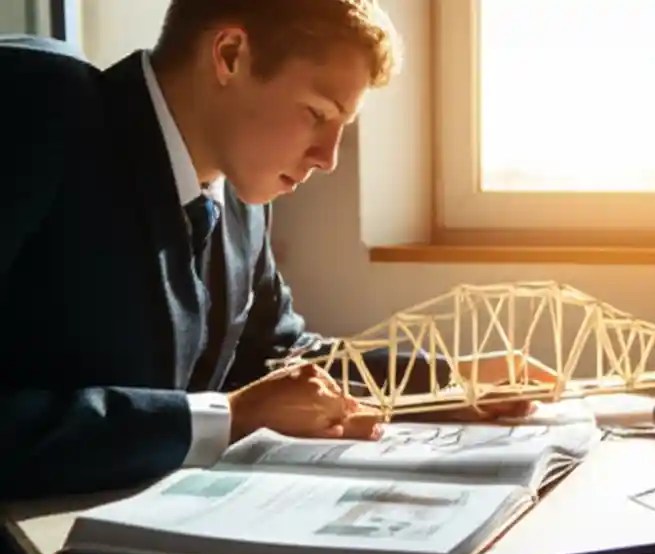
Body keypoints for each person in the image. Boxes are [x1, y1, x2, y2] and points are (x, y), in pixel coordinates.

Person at [0, 1, 546, 501]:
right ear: (230, 55)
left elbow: (280, 358)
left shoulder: (240, 202)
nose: (328, 158)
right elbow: (242, 404)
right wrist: (227, 419)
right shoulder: (39, 104)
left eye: (341, 127)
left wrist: (447, 383)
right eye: (316, 113)